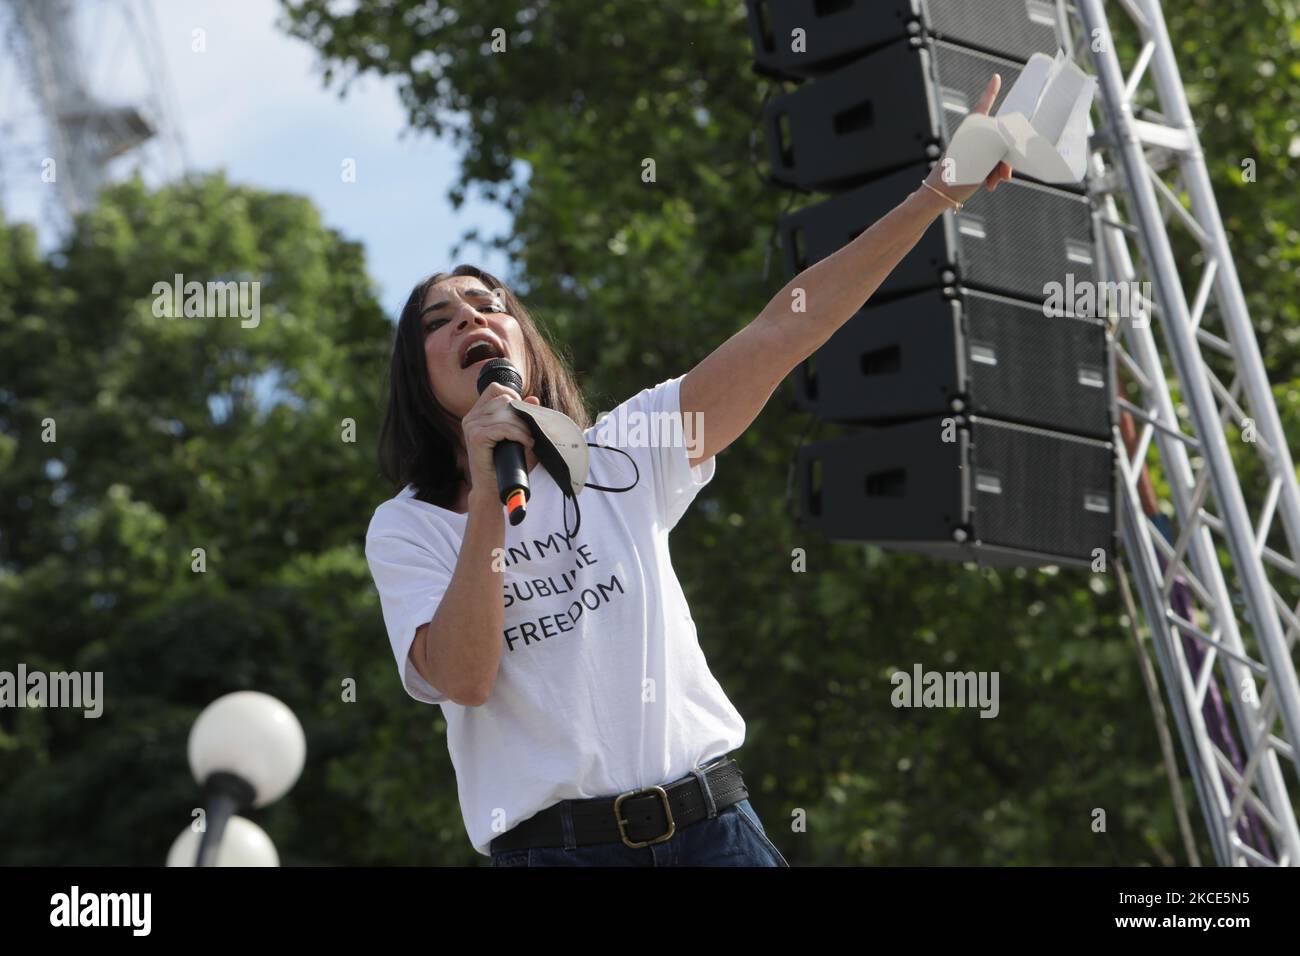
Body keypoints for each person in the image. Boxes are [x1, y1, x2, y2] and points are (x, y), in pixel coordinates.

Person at [364, 75, 1013, 867]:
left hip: (714, 833)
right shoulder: (408, 526)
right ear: (419, 377)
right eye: (441, 319)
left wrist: (935, 196)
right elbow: (464, 677)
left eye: (489, 302)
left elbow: (783, 331)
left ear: (526, 346)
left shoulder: (624, 450)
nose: (471, 316)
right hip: (556, 853)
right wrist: (489, 498)